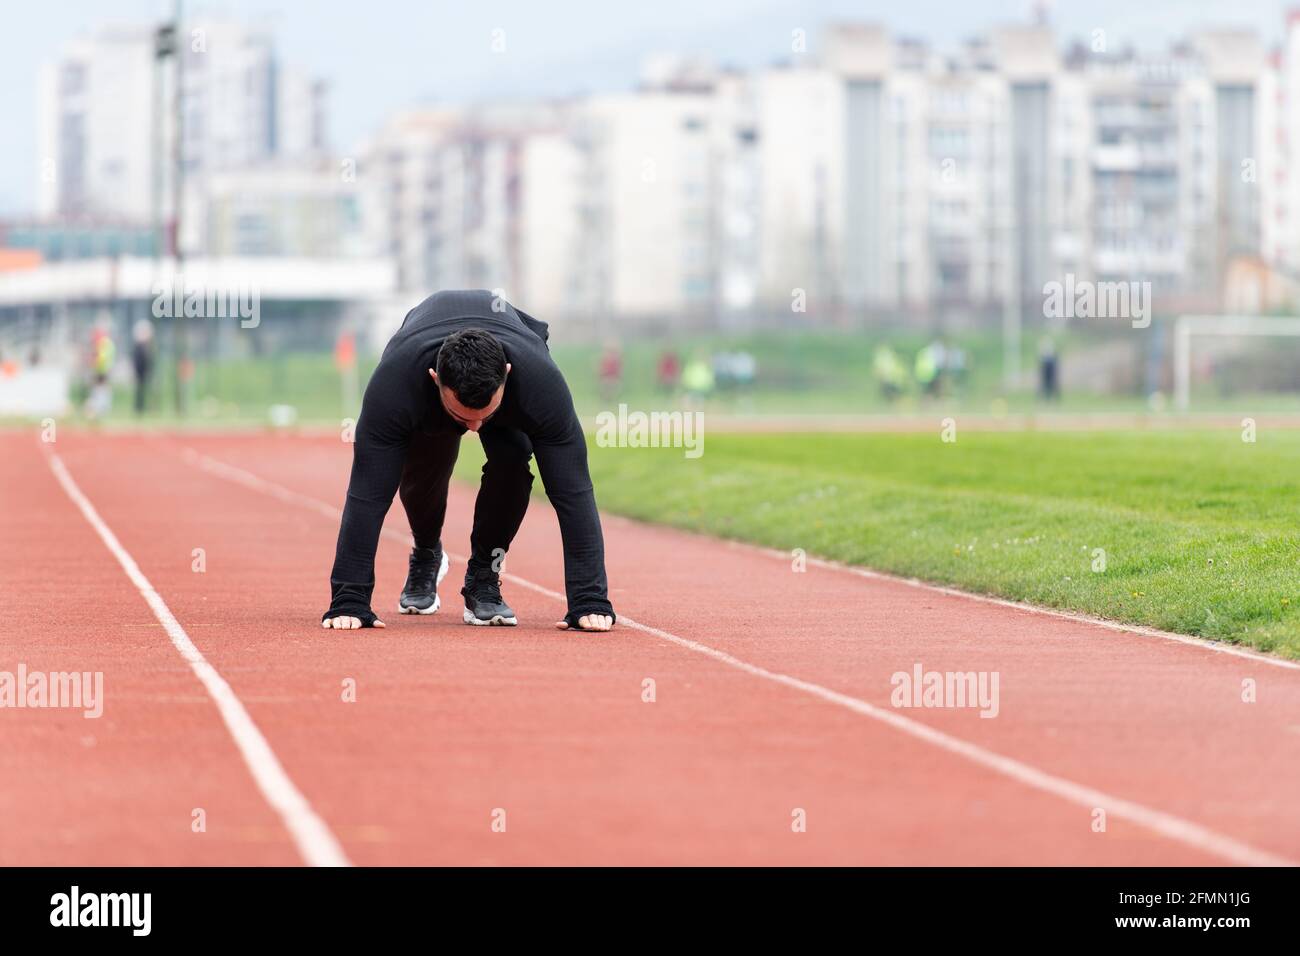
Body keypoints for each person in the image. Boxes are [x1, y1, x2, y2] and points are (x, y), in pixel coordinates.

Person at [321, 290, 616, 633]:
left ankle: (483, 577)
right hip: (421, 362)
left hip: (511, 386)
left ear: (507, 373)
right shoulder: (395, 386)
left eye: (483, 415)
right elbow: (366, 495)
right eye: (462, 416)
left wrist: (590, 600)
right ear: (435, 379)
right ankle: (427, 551)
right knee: (421, 478)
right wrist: (349, 600)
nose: (474, 427)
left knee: (514, 461)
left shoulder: (541, 385)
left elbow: (573, 491)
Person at [131, 319, 155, 416]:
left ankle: (146, 408)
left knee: (145, 390)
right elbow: (138, 361)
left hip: (144, 372)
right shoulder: (139, 348)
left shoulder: (146, 347)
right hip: (140, 372)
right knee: (140, 391)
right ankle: (139, 408)